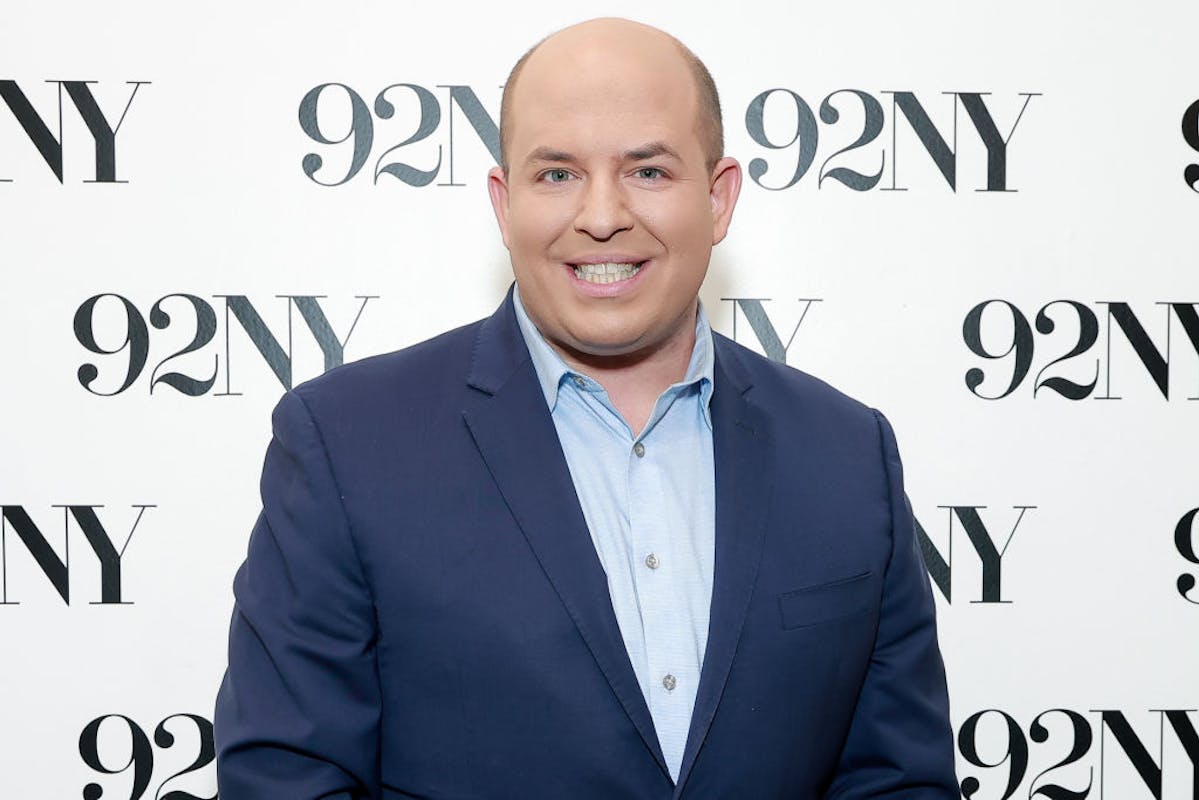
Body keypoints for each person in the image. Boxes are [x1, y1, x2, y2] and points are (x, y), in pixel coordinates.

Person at [214, 17, 958, 799]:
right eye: (557, 175)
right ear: (504, 203)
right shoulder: (347, 444)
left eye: (648, 171)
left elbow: (897, 781)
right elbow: (285, 780)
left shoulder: (847, 453)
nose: (601, 216)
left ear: (717, 198)